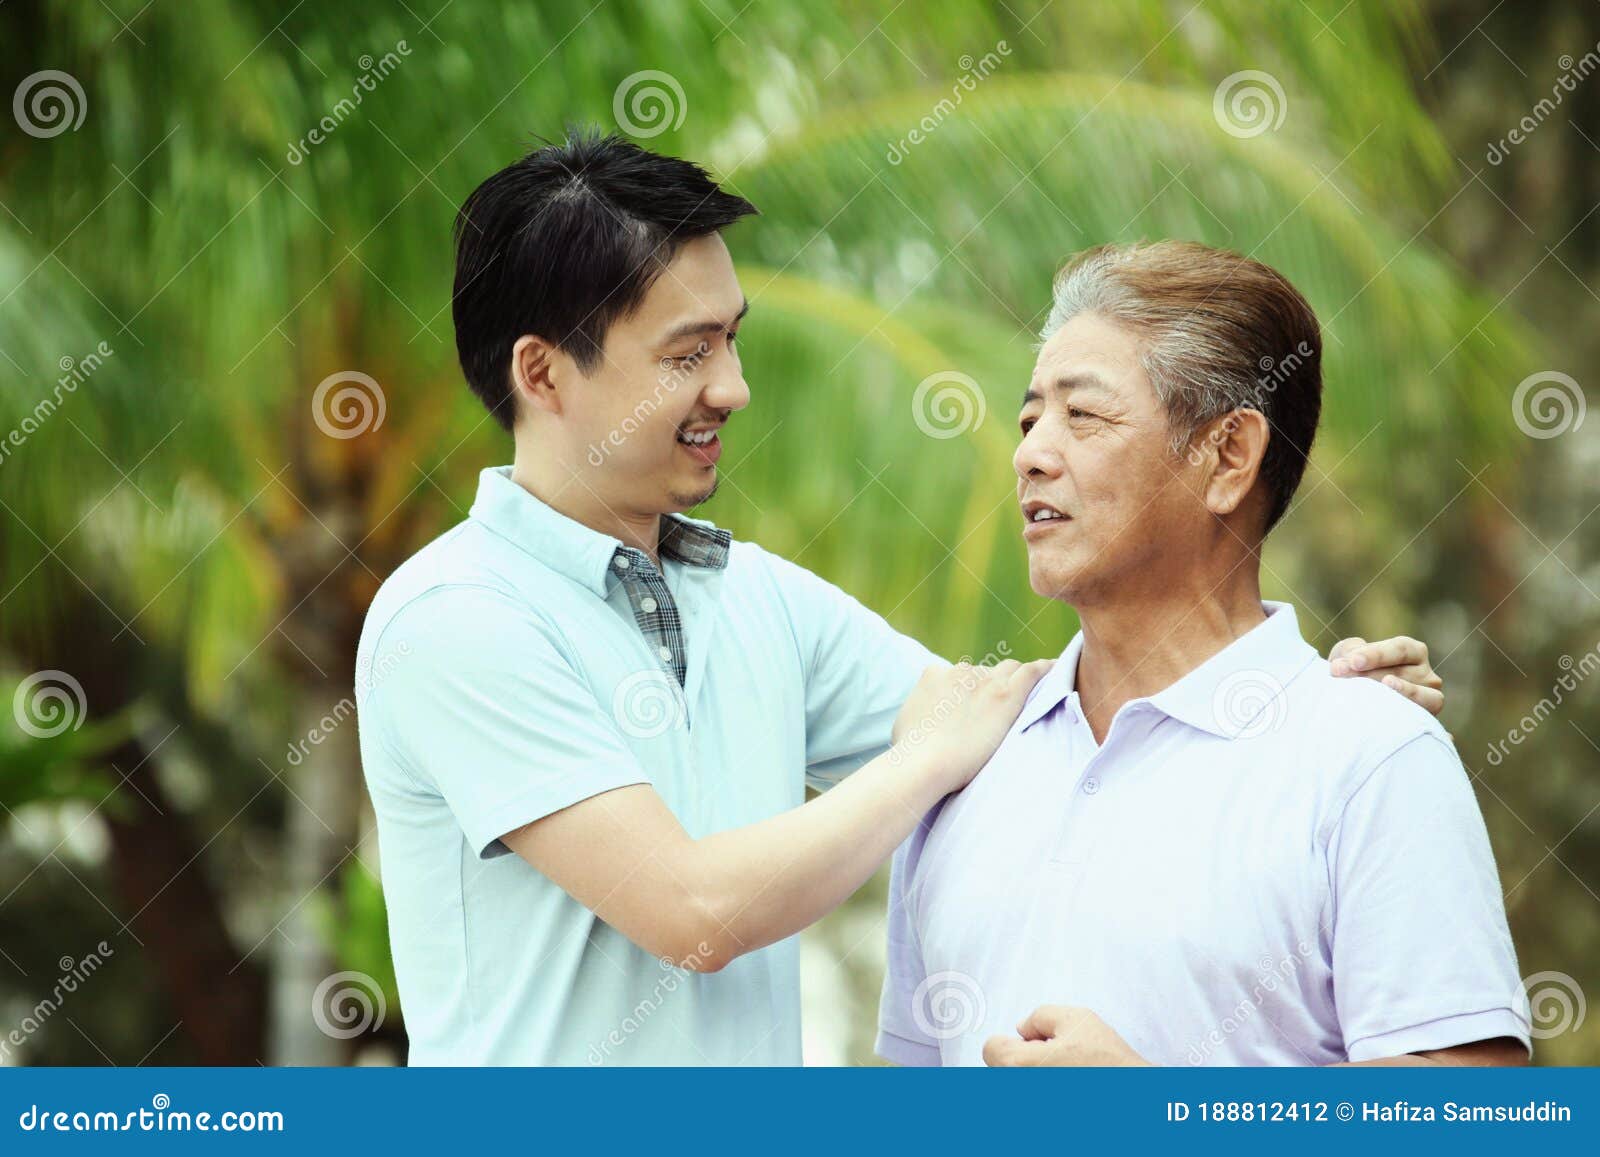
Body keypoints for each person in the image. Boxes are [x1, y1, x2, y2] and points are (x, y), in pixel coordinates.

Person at [355, 131, 1444, 1065]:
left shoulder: (756, 600)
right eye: (688, 353)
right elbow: (691, 912)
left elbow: (1031, 726)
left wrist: (1299, 702)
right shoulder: (454, 618)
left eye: (731, 338)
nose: (731, 386)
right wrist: (922, 757)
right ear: (543, 376)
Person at [876, 241, 1527, 1069]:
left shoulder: (1371, 757)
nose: (1031, 451)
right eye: (1030, 415)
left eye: (1084, 415)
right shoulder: (961, 759)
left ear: (1228, 457)